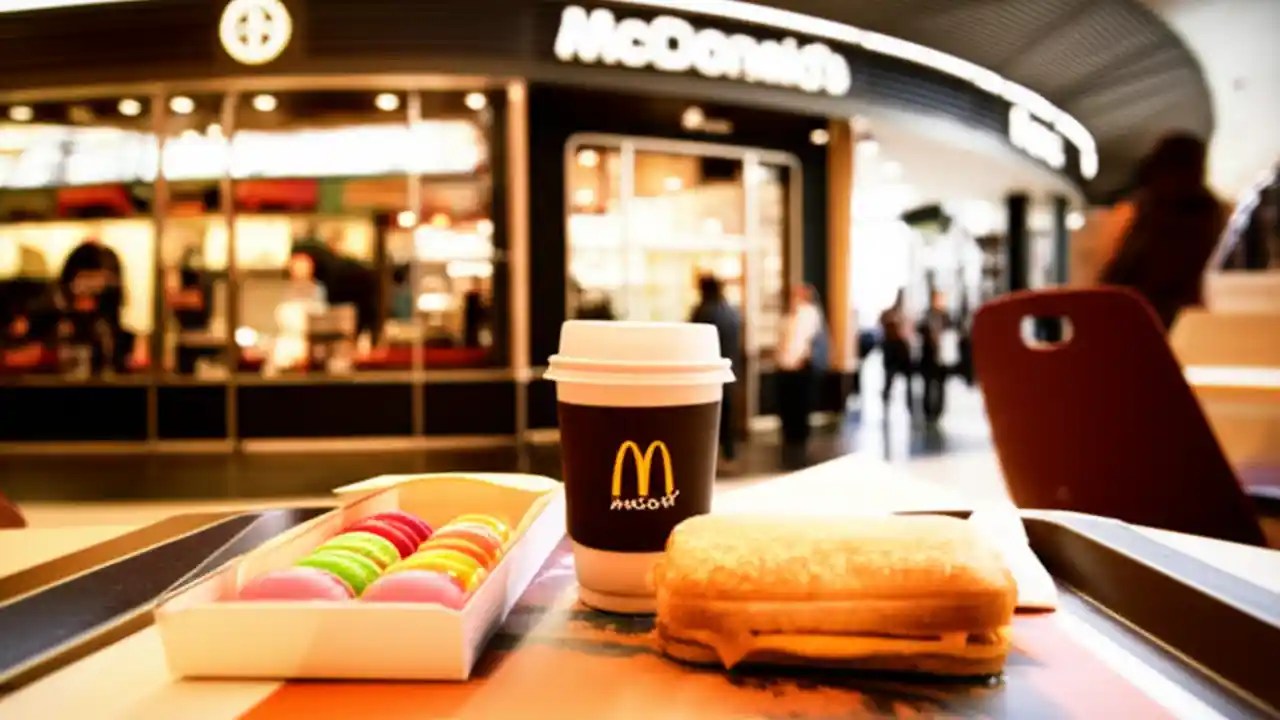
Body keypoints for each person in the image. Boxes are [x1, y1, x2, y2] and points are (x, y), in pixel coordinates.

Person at [1099, 133, 1225, 331]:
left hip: (1130, 314)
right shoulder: (1210, 210)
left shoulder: (1141, 209)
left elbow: (1114, 269)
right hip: (1184, 319)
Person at [689, 274, 743, 471]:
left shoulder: (704, 312)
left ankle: (704, 459)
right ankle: (729, 455)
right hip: (728, 369)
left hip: (705, 373)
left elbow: (693, 342)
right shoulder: (731, 311)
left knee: (706, 418)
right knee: (726, 415)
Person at [776, 283, 827, 447]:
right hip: (787, 368)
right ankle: (790, 436)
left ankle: (798, 438)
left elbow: (803, 343)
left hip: (800, 368)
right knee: (788, 406)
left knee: (799, 406)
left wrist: (799, 360)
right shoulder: (789, 316)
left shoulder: (809, 314)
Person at [918, 290, 952, 422]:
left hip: (942, 357)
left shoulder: (946, 316)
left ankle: (939, 411)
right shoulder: (926, 316)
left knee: (941, 385)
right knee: (927, 384)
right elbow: (920, 330)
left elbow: (951, 333)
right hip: (928, 357)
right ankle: (928, 411)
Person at [878, 289, 914, 412]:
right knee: (889, 378)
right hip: (891, 348)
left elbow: (909, 333)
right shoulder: (890, 314)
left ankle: (909, 404)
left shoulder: (906, 316)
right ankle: (886, 401)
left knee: (908, 379)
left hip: (902, 349)